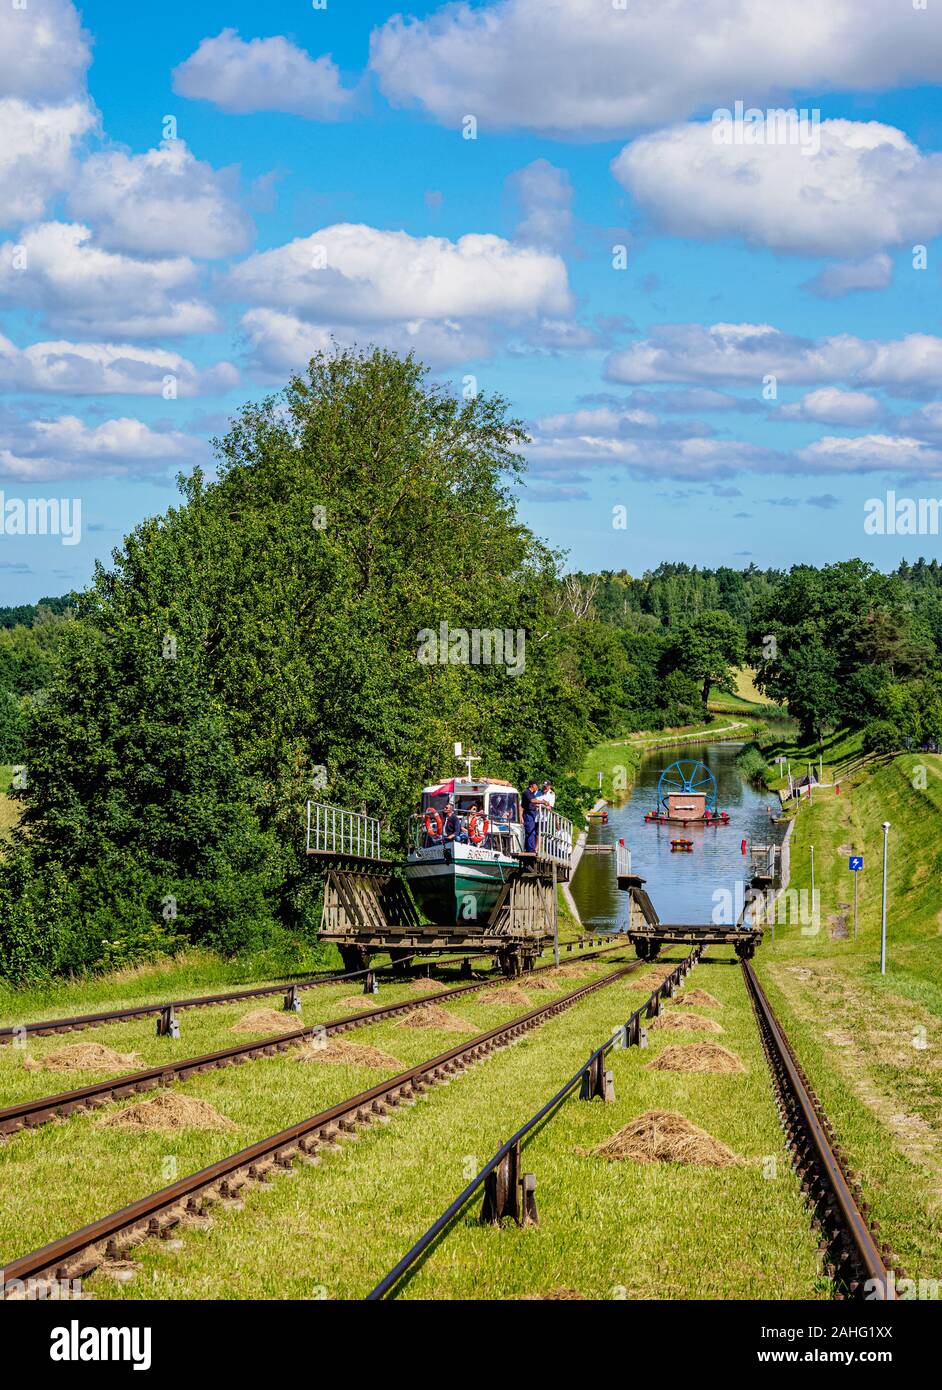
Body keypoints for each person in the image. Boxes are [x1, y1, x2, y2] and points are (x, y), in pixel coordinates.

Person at [521, 779, 538, 853]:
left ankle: (530, 848)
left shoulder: (532, 794)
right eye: (536, 785)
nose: (537, 786)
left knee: (532, 831)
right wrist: (543, 802)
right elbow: (533, 801)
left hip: (532, 814)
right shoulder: (527, 792)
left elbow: (535, 802)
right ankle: (530, 849)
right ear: (532, 785)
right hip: (528, 814)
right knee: (530, 831)